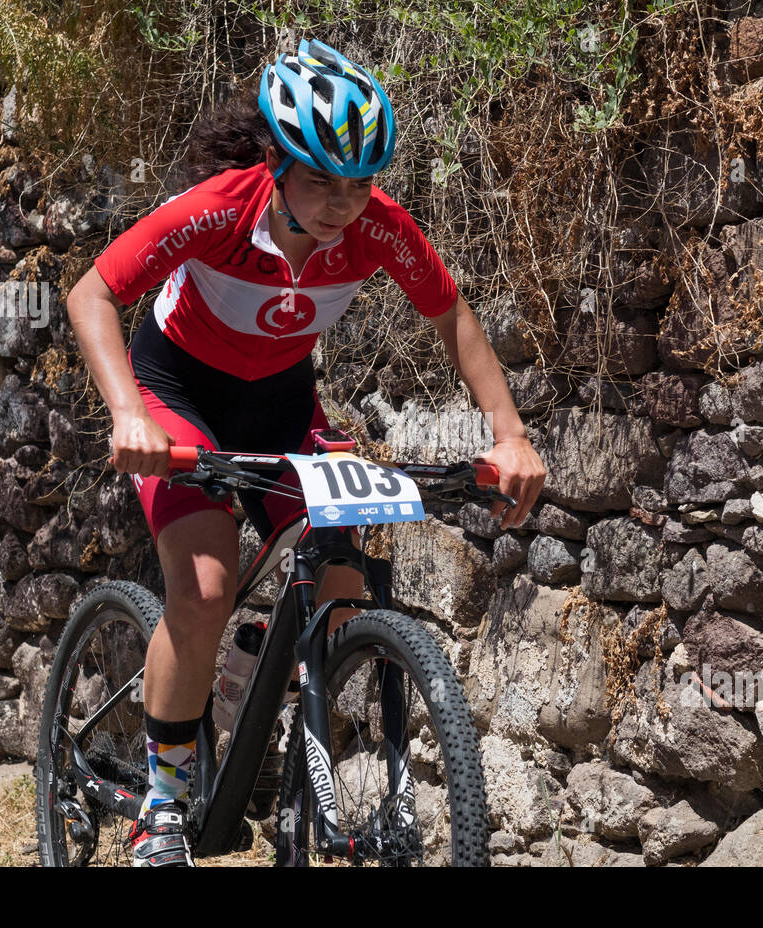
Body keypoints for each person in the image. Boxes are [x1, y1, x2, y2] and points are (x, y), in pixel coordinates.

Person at [65, 38, 546, 866]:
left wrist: (510, 433)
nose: (342, 204)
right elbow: (94, 292)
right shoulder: (220, 207)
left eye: (359, 183)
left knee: (344, 588)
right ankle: (164, 808)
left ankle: (259, 679)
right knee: (206, 584)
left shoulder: (380, 230)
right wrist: (126, 416)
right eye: (321, 179)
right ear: (279, 163)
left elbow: (454, 317)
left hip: (283, 405)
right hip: (176, 394)